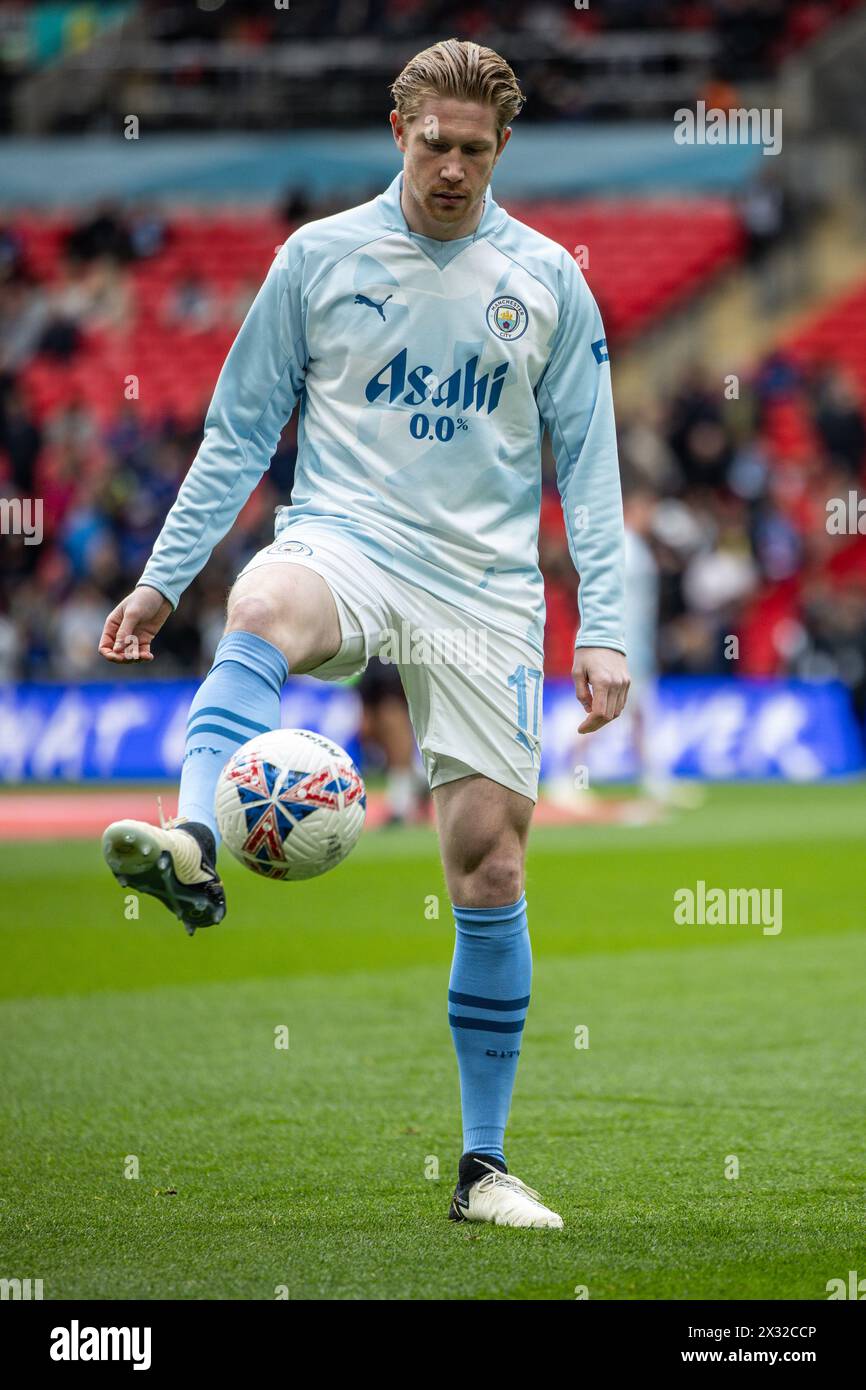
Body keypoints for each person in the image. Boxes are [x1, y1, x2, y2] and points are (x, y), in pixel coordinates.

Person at [97, 39, 630, 1229]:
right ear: (397, 129)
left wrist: (604, 626)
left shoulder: (546, 278)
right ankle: (191, 835)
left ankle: (480, 1168)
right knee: (266, 605)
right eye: (432, 142)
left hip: (486, 586)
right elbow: (237, 434)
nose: (449, 167)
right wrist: (158, 583)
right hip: (349, 534)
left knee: (488, 864)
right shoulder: (316, 258)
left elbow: (588, 471)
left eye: (473, 150)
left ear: (504, 150)